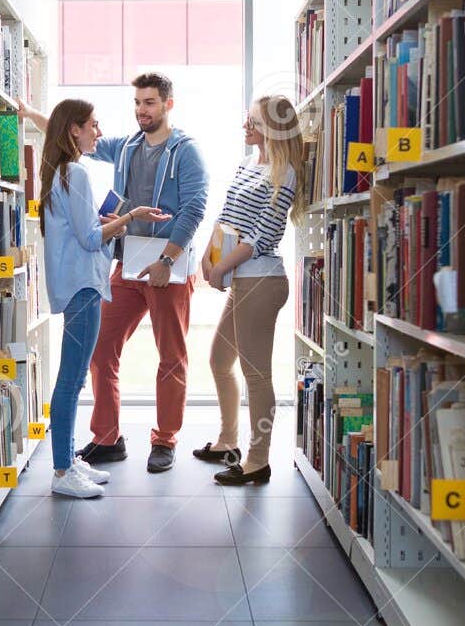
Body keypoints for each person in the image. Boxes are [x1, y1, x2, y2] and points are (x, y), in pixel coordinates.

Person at [19, 72, 208, 474]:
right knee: (101, 347)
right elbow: (69, 135)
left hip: (167, 266)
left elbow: (194, 209)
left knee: (171, 357)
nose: (142, 110)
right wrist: (32, 112)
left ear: (168, 105)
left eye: (150, 103)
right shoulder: (126, 147)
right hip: (128, 263)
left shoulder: (187, 151)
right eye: (138, 103)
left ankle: (165, 439)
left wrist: (169, 260)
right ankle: (107, 438)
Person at [37, 99, 170, 498]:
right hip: (83, 288)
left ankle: (67, 462)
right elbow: (91, 239)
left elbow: (82, 229)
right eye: (93, 125)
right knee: (71, 380)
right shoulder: (74, 173)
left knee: (76, 378)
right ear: (74, 130)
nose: (99, 131)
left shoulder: (60, 173)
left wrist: (103, 221)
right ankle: (62, 472)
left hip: (78, 285)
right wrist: (129, 218)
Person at [193, 94, 306, 486]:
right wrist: (207, 258)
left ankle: (258, 461)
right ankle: (228, 442)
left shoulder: (286, 171)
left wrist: (223, 264)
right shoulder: (245, 164)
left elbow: (263, 235)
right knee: (218, 360)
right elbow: (226, 217)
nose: (246, 127)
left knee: (256, 374)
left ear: (272, 128)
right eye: (247, 120)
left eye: (254, 122)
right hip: (243, 279)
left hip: (262, 279)